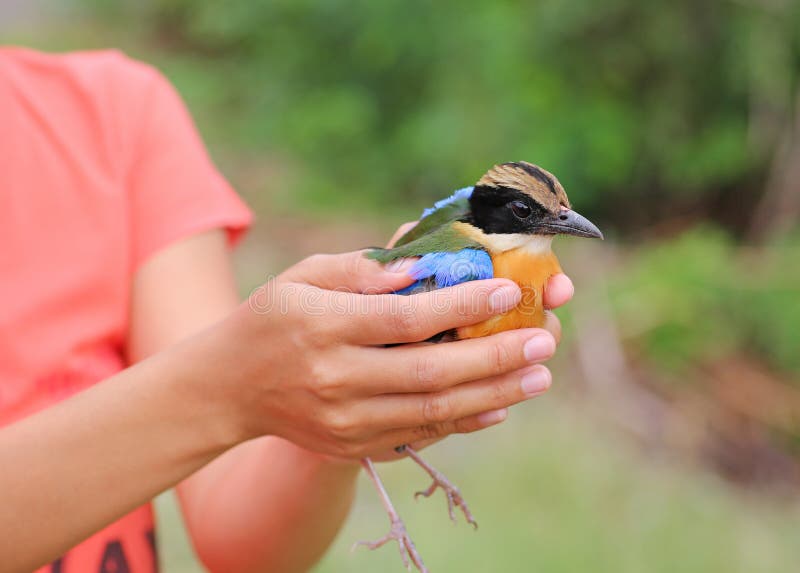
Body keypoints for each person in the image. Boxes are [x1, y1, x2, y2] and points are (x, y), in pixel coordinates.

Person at [0, 47, 572, 573]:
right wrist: (228, 389)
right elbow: (228, 388)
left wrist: (340, 415)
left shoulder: (115, 112)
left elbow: (239, 539)